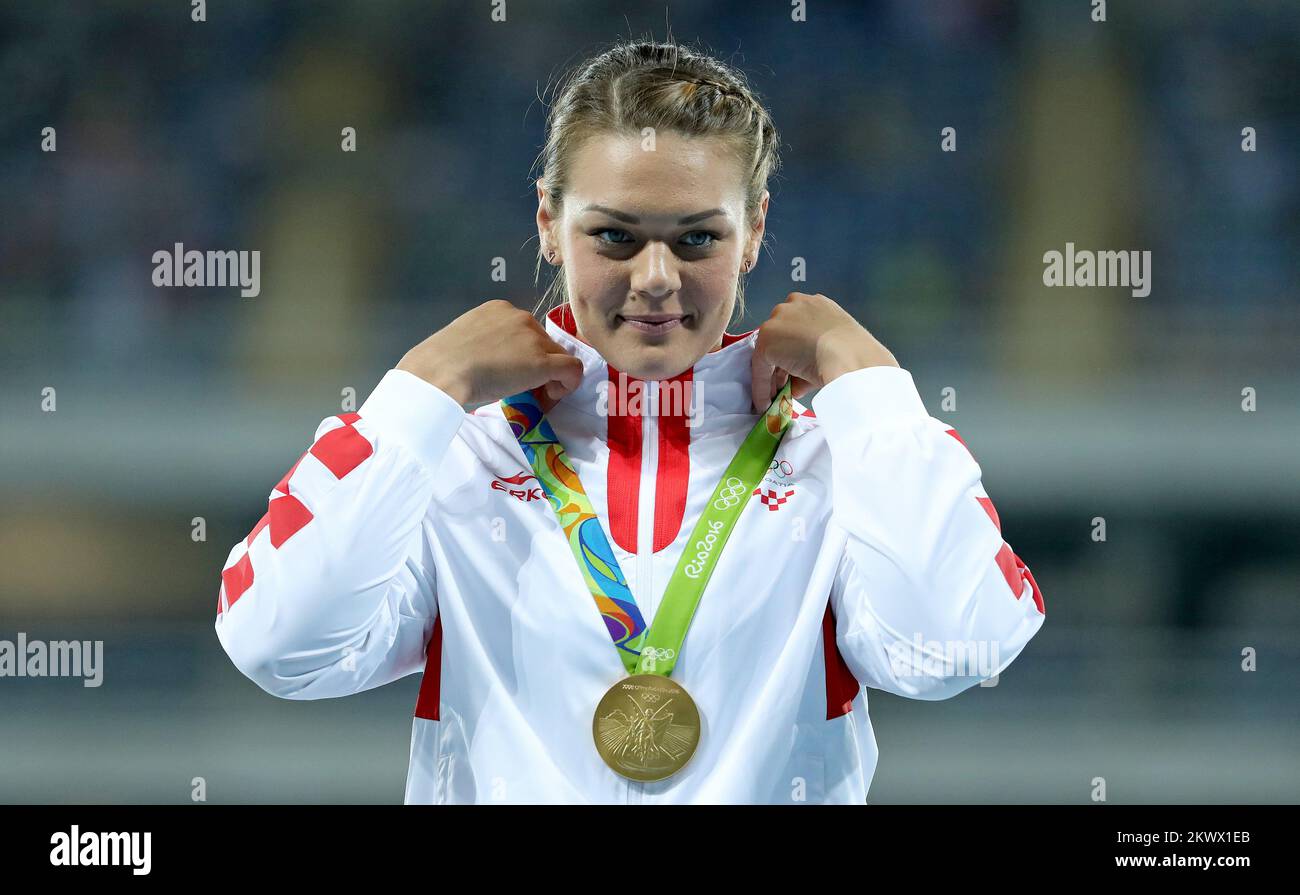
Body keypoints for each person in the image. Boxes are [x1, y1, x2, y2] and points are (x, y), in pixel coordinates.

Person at [214, 40, 1045, 804]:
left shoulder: (839, 461)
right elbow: (282, 646)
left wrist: (867, 382)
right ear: (548, 223)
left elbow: (950, 649)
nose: (655, 278)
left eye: (695, 239)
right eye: (613, 235)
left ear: (754, 231)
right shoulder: (451, 456)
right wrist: (422, 388)